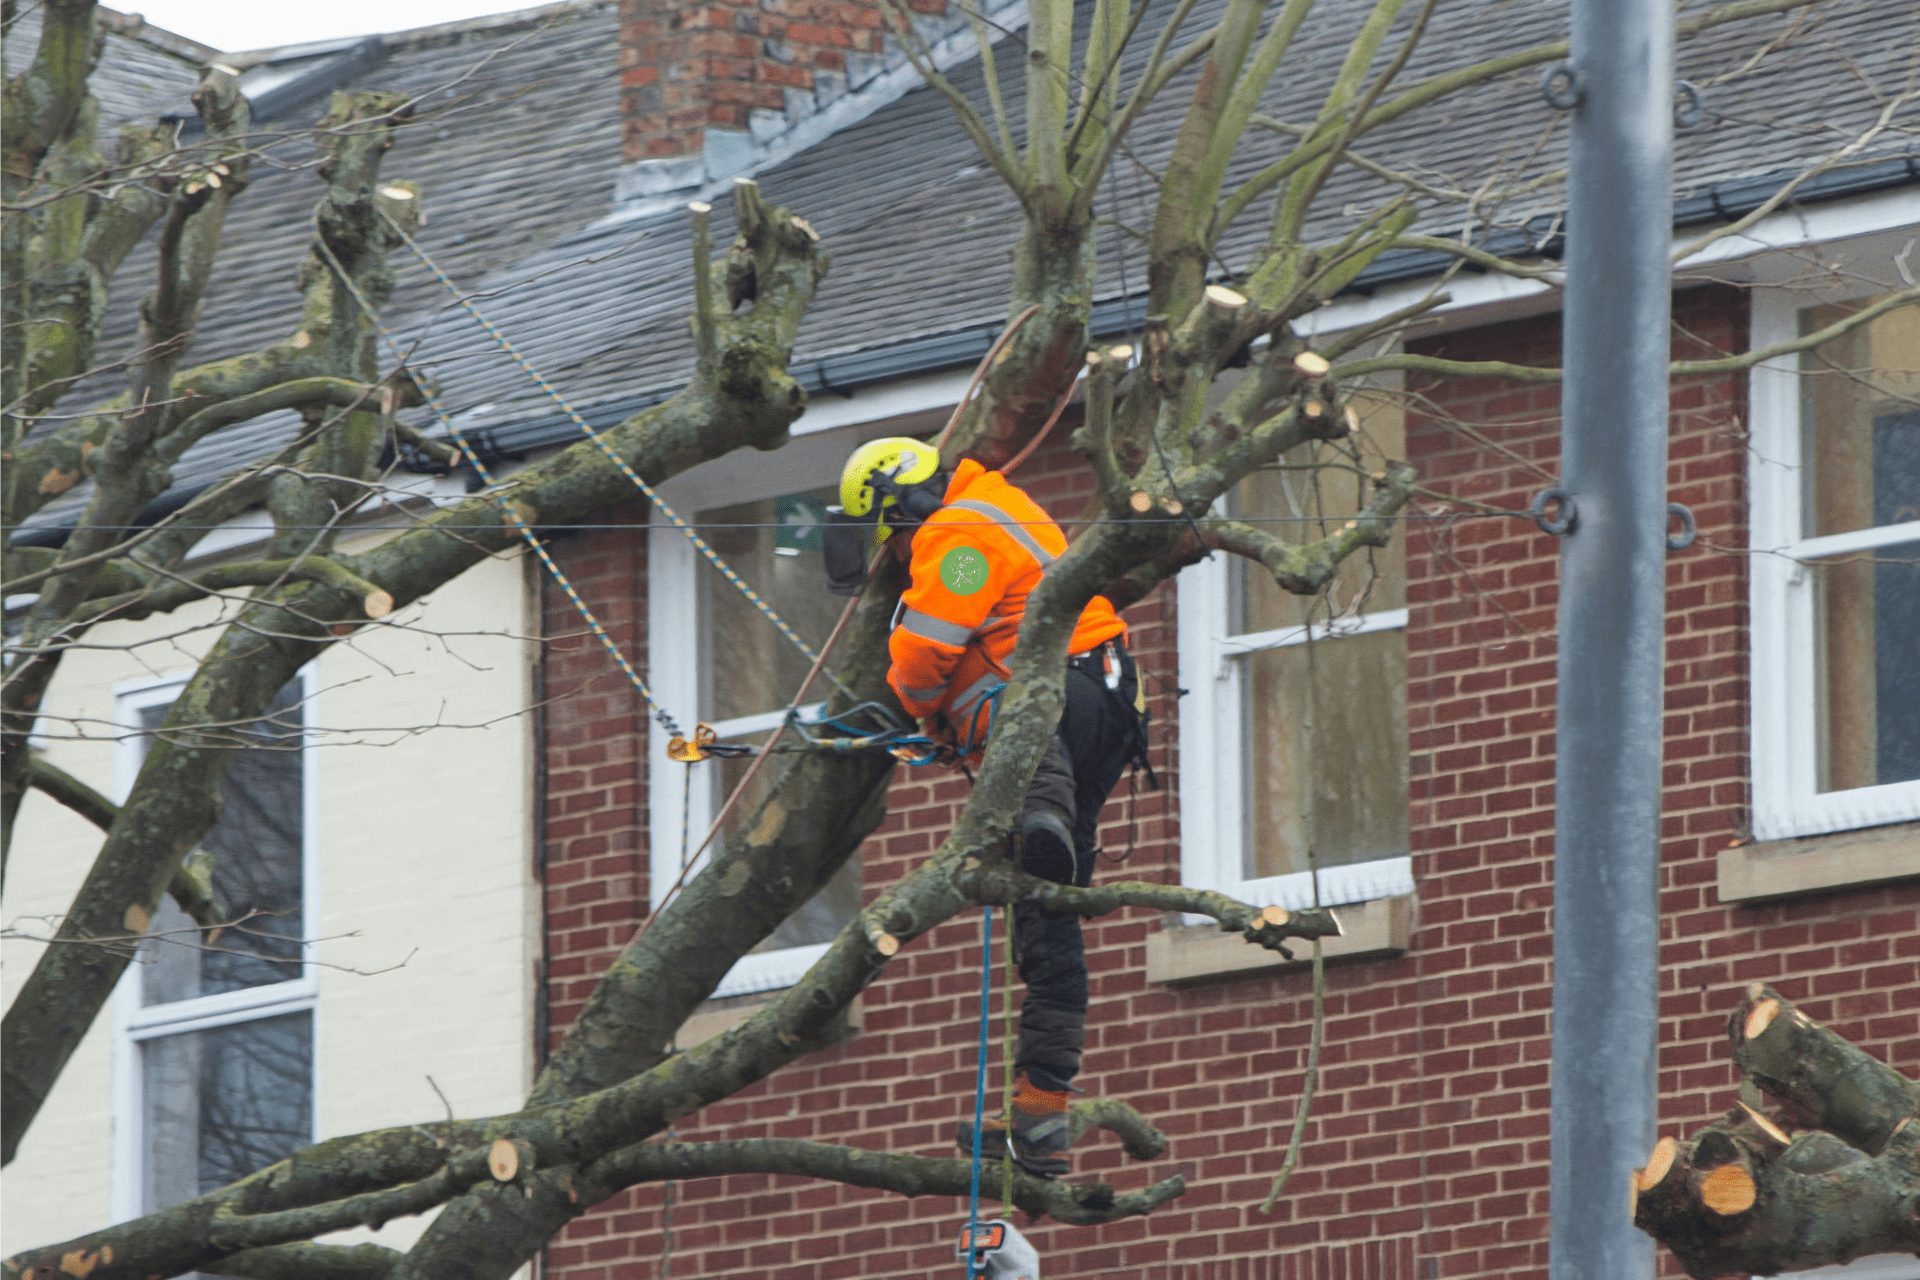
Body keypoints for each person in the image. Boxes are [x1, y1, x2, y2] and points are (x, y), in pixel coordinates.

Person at [838, 436, 1150, 1178]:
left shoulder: (957, 531)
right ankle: (1040, 1121)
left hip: (1057, 701)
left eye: (893, 533)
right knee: (1046, 919)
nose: (896, 549)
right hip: (1104, 708)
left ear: (904, 503)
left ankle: (1040, 823)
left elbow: (922, 651)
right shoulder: (1005, 507)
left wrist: (922, 712)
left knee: (1027, 761)